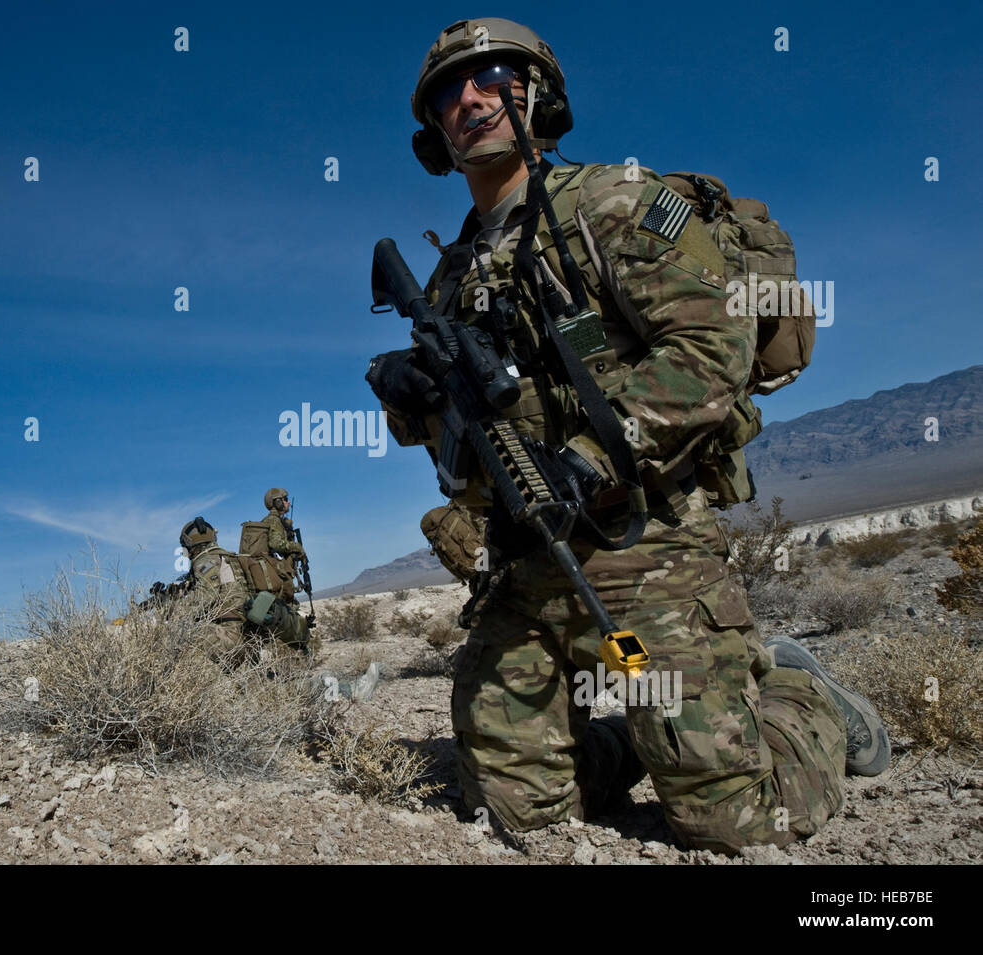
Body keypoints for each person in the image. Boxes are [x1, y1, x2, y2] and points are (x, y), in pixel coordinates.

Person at [366, 17, 888, 852]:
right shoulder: (451, 275)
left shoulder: (613, 205)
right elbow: (459, 435)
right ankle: (623, 746)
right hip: (527, 562)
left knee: (733, 821)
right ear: (431, 127)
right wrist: (402, 391)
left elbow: (712, 345)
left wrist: (593, 456)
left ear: (534, 92)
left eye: (491, 74)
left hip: (645, 547)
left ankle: (803, 701)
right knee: (512, 815)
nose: (467, 97)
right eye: (444, 92)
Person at [179, 517, 377, 700]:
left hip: (229, 640)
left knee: (185, 641)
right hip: (251, 635)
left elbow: (202, 601)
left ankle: (344, 690)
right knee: (268, 692)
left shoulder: (205, 562)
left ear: (190, 545)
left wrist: (172, 609)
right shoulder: (234, 558)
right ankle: (348, 690)